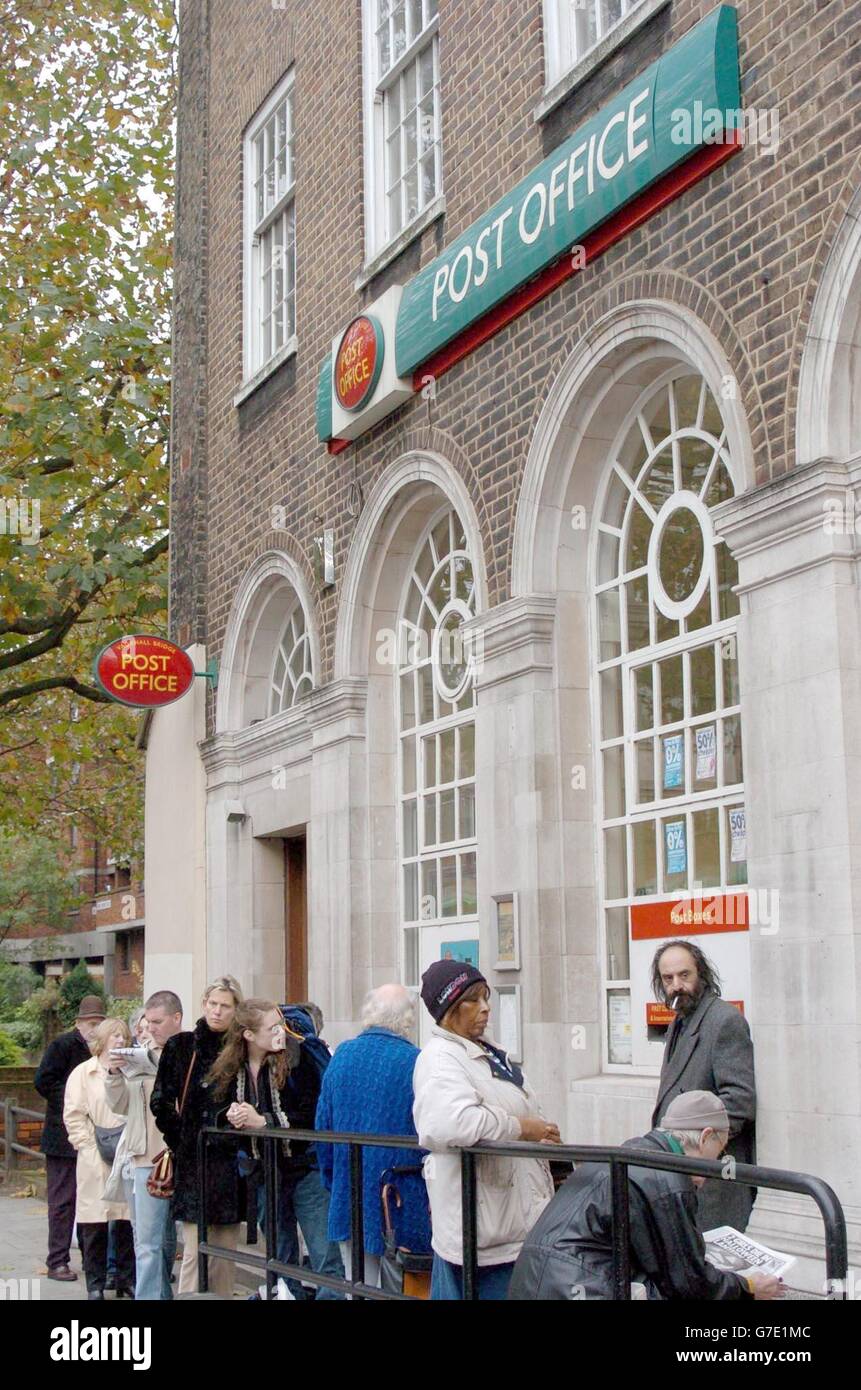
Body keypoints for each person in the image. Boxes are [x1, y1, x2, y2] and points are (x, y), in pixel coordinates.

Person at [508, 1091, 782, 1302]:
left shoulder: (634, 1152)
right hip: (576, 1287)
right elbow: (688, 1282)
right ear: (704, 1137)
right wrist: (748, 1287)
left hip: (534, 1280)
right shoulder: (668, 1177)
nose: (713, 1168)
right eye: (718, 1152)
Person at [413, 961, 559, 1301]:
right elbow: (450, 1124)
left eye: (486, 998)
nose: (486, 1008)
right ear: (449, 1008)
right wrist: (523, 1128)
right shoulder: (440, 1059)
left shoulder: (488, 1053)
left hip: (513, 1224)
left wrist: (542, 1135)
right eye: (474, 1000)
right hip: (485, 1234)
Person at [208, 997, 345, 1300]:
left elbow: (313, 1115)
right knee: (281, 1259)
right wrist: (229, 1115)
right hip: (263, 1174)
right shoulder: (234, 1065)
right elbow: (215, 1105)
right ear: (248, 1035)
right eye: (272, 1028)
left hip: (304, 1169)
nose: (280, 1032)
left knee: (325, 1256)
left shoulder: (299, 1058)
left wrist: (264, 1120)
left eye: (280, 1023)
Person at [316, 983, 432, 1288]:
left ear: (369, 1013)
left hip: (349, 1193)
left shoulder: (342, 1056)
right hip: (402, 1199)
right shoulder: (416, 1061)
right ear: (408, 1018)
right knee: (404, 1287)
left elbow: (323, 1130)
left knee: (358, 1286)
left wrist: (334, 1180)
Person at [650, 939, 756, 1232]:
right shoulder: (679, 1022)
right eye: (668, 978)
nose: (676, 986)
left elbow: (739, 1101)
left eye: (685, 975)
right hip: (684, 1175)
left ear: (701, 974)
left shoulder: (724, 1021)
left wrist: (697, 1150)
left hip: (714, 1178)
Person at [150, 975, 243, 1297]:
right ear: (204, 1004)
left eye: (225, 1006)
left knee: (225, 1255)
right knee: (193, 1252)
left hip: (230, 1163)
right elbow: (160, 1102)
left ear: (235, 1010)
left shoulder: (242, 1048)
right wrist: (183, 1141)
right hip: (194, 1162)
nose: (217, 1011)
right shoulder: (181, 1046)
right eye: (213, 1004)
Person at [104, 990, 183, 1299]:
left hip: (173, 1152)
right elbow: (120, 1105)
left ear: (176, 1019)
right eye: (147, 1022)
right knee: (147, 1241)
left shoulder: (186, 1052)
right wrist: (113, 1073)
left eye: (157, 1022)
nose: (150, 1028)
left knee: (161, 1241)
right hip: (143, 1155)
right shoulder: (141, 1052)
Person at [34, 994, 106, 1282]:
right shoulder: (63, 1045)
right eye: (90, 1022)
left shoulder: (102, 1050)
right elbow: (43, 1081)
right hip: (62, 1137)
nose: (94, 1027)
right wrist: (74, 1098)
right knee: (62, 1201)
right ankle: (57, 1260)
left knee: (92, 1200)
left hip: (93, 1137)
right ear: (79, 1023)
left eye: (99, 1022)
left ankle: (91, 1259)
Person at [63, 1016, 136, 1300]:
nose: (119, 1041)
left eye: (123, 1036)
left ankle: (125, 1279)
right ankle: (95, 1283)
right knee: (94, 1221)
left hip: (126, 1147)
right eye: (114, 1036)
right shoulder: (84, 1073)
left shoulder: (132, 1069)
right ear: (102, 1039)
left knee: (126, 1221)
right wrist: (85, 1145)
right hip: (95, 1152)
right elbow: (73, 1113)